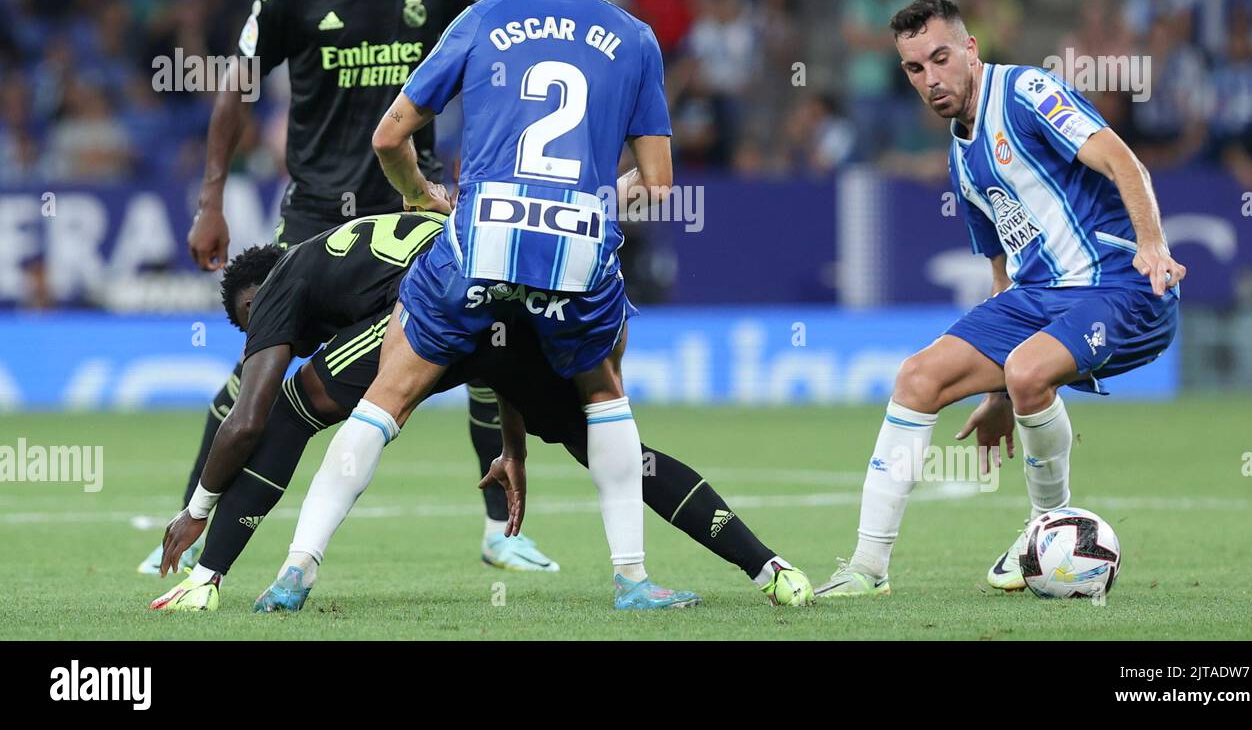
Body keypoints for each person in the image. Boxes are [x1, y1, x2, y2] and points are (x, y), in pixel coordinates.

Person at [263, 0, 700, 611]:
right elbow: (657, 185)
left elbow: (388, 135)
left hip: (480, 238)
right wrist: (587, 201)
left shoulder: (484, 17)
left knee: (385, 399)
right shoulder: (636, 39)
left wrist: (420, 193)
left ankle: (295, 572)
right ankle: (633, 580)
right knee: (604, 397)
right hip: (574, 252)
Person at [140, 0, 558, 578]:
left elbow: (491, 70)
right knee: (255, 380)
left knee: (487, 341)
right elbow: (235, 88)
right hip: (316, 220)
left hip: (414, 203)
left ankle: (501, 530)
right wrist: (212, 200)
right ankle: (190, 526)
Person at [149, 214, 812, 611]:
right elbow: (488, 359)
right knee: (612, 448)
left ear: (257, 293)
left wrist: (197, 510)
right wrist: (513, 449)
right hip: (511, 296)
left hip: (433, 302)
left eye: (249, 316)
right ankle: (769, 569)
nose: (261, 330)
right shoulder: (348, 251)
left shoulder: (282, 283)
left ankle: (234, 578)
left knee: (295, 408)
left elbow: (247, 420)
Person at [815, 0, 1185, 598]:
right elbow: (1002, 278)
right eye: (914, 69)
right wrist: (996, 394)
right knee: (917, 378)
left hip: (1122, 284)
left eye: (940, 59)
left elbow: (1123, 160)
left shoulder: (1025, 92)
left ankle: (1047, 527)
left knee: (1029, 370)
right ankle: (866, 569)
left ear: (970, 49)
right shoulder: (961, 156)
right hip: (1037, 296)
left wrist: (1152, 245)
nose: (931, 80)